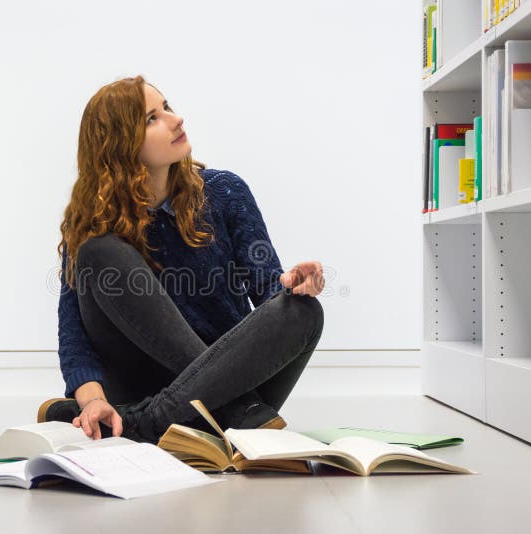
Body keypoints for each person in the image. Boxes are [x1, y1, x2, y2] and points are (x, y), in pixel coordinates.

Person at [38, 75, 325, 444]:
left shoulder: (225, 191)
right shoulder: (91, 222)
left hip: (224, 383)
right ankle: (231, 416)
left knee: (303, 312)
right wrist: (92, 399)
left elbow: (268, 289)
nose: (176, 119)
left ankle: (145, 422)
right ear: (119, 145)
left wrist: (292, 285)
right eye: (151, 118)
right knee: (100, 249)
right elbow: (74, 333)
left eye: (167, 107)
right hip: (148, 380)